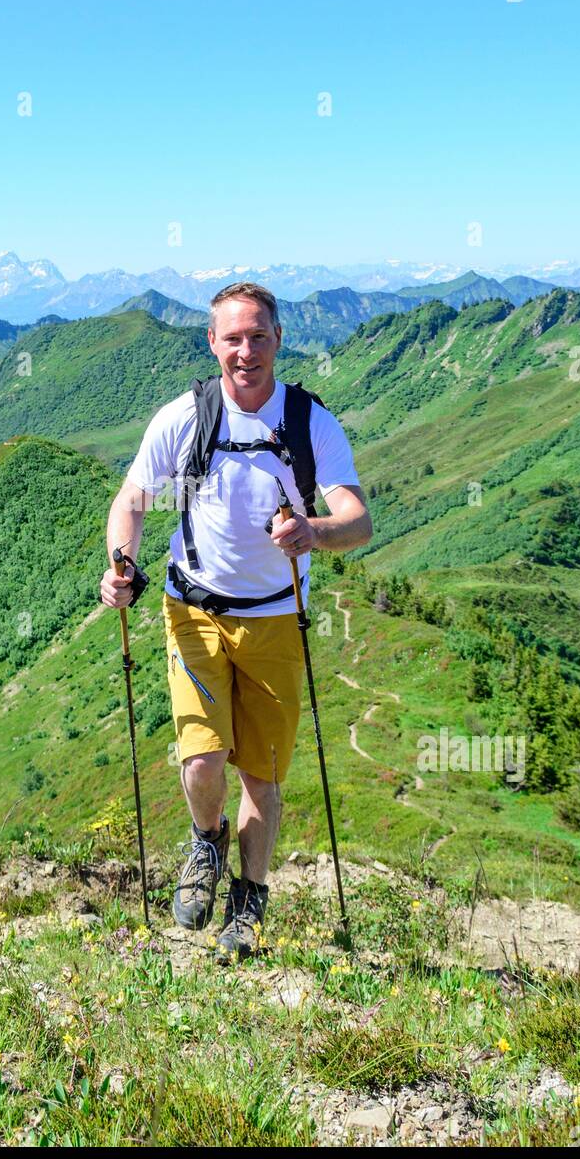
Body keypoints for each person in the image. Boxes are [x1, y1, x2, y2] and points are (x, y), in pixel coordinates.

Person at [100, 281, 372, 960]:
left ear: (279, 339)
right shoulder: (186, 418)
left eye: (257, 336)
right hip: (192, 608)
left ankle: (248, 902)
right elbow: (132, 498)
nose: (245, 350)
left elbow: (358, 520)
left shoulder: (311, 423)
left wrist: (313, 531)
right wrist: (120, 563)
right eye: (232, 338)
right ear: (212, 343)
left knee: (264, 775)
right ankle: (206, 843)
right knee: (201, 761)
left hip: (278, 616)